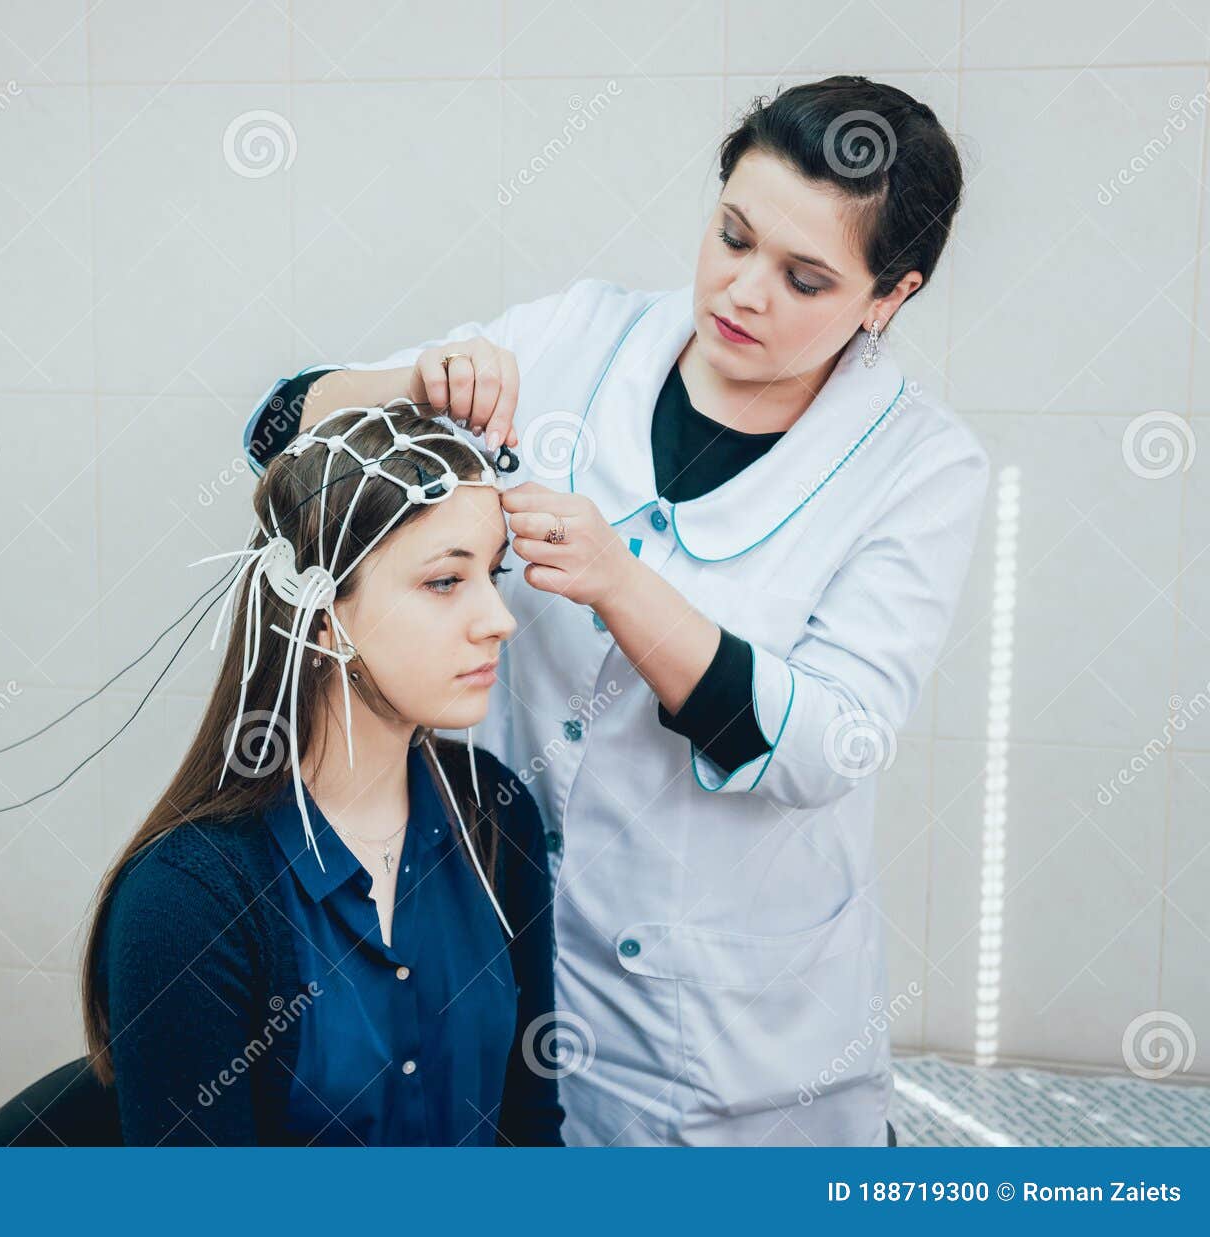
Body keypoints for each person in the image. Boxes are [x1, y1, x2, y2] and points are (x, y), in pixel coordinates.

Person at [239, 76, 987, 1146]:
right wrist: (415, 375)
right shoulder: (575, 341)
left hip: (748, 1054)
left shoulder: (920, 469)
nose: (743, 291)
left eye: (805, 278)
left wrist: (621, 584)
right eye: (731, 236)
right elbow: (281, 436)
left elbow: (825, 742)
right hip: (507, 996)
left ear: (888, 297)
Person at [80, 405, 565, 1146]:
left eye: (491, 575)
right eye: (445, 581)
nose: (498, 618)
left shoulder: (494, 813)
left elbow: (528, 1129)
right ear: (322, 620)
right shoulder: (188, 901)